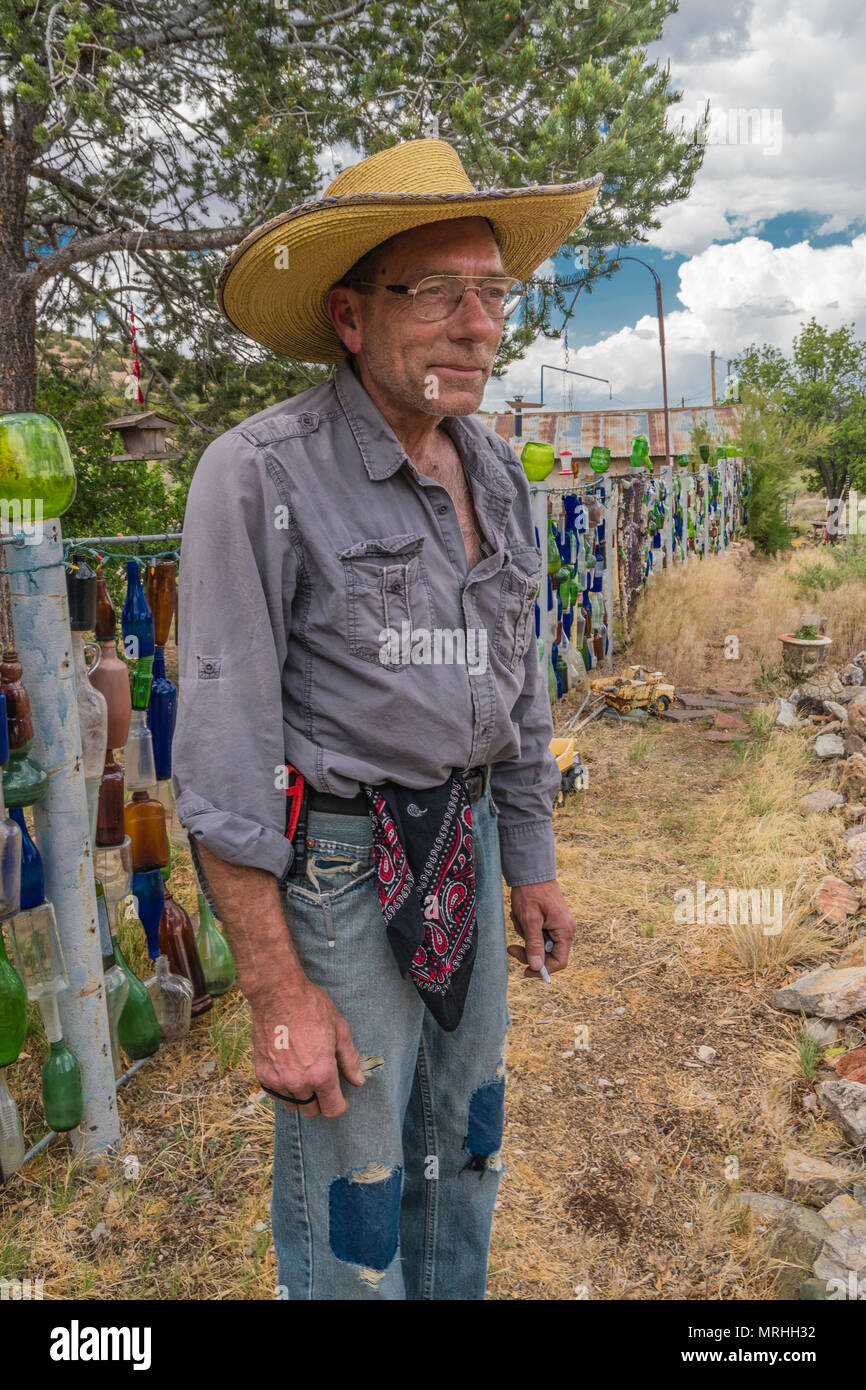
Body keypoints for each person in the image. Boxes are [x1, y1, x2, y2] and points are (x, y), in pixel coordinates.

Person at [172, 137, 602, 1300]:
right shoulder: (255, 477)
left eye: (492, 292)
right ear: (350, 316)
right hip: (338, 872)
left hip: (468, 843)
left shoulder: (501, 478)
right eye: (436, 293)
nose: (477, 324)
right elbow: (216, 762)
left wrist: (533, 861)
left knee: (462, 1148)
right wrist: (275, 994)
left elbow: (517, 700)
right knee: (355, 1194)